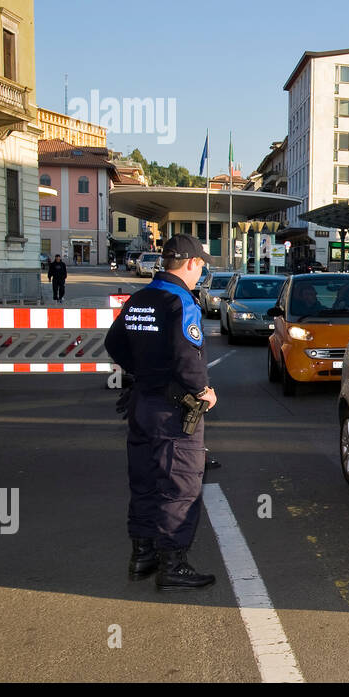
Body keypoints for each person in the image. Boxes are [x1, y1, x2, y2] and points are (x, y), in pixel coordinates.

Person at [104, 234, 218, 591]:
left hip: (141, 403)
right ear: (191, 264)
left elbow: (114, 342)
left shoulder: (140, 297)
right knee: (180, 484)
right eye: (201, 264)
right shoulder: (180, 301)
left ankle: (142, 555)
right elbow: (187, 355)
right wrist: (203, 391)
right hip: (173, 410)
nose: (201, 272)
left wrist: (143, 369)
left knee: (146, 481)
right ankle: (173, 563)